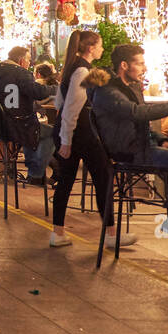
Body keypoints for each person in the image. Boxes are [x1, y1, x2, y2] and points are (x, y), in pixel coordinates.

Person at [91, 43, 168, 246]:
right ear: (124, 65)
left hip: (144, 145)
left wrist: (161, 139)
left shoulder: (132, 88)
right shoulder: (108, 91)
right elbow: (136, 113)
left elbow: (141, 124)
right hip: (128, 152)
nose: (144, 68)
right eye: (139, 63)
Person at [49, 30, 127, 248]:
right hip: (79, 133)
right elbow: (71, 109)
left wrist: (64, 136)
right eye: (100, 45)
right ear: (90, 48)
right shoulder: (82, 71)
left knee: (66, 180)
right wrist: (66, 140)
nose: (102, 48)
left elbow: (59, 104)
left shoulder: (72, 67)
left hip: (72, 132)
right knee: (103, 176)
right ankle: (111, 235)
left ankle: (58, 233)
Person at [0, 46, 57, 185]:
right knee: (51, 133)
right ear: (21, 61)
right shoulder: (21, 73)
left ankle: (8, 170)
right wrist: (56, 88)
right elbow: (37, 92)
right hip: (18, 127)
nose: (29, 63)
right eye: (28, 60)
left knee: (37, 132)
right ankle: (38, 175)